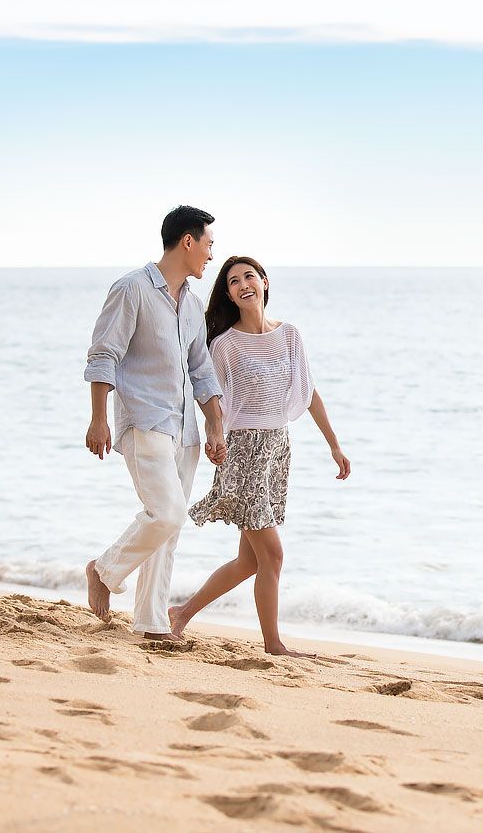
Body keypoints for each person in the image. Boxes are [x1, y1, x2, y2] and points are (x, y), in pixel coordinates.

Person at [171, 255, 350, 658]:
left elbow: (308, 393)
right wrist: (214, 436)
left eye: (249, 276)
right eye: (233, 281)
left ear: (264, 282)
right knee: (273, 554)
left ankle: (181, 613)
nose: (243, 285)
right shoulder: (224, 345)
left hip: (276, 451)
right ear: (229, 294)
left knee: (249, 562)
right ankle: (273, 645)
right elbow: (211, 399)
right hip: (243, 454)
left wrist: (334, 444)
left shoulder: (290, 336)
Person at [82, 205, 228, 642]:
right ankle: (104, 570)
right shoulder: (132, 289)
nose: (211, 255)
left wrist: (214, 426)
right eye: (209, 245)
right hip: (145, 420)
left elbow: (201, 370)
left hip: (186, 430)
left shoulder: (193, 304)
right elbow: (104, 354)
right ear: (188, 241)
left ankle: (151, 622)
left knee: (170, 529)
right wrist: (98, 418)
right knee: (167, 513)